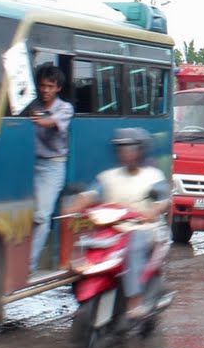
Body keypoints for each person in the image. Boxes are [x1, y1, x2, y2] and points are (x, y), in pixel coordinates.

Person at [68, 127, 169, 321]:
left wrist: (152, 212)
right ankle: (83, 300)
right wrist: (72, 209)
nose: (126, 153)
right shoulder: (108, 176)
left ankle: (134, 301)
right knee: (83, 250)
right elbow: (89, 195)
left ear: (141, 151)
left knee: (134, 249)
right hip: (112, 229)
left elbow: (163, 200)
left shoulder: (153, 175)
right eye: (122, 149)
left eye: (131, 149)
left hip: (142, 229)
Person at [27, 63, 74, 273]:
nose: (45, 90)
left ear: (58, 88)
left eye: (50, 86)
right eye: (42, 86)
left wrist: (33, 116)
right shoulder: (33, 104)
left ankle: (30, 265)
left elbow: (49, 122)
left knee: (41, 216)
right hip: (29, 163)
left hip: (52, 166)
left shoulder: (65, 108)